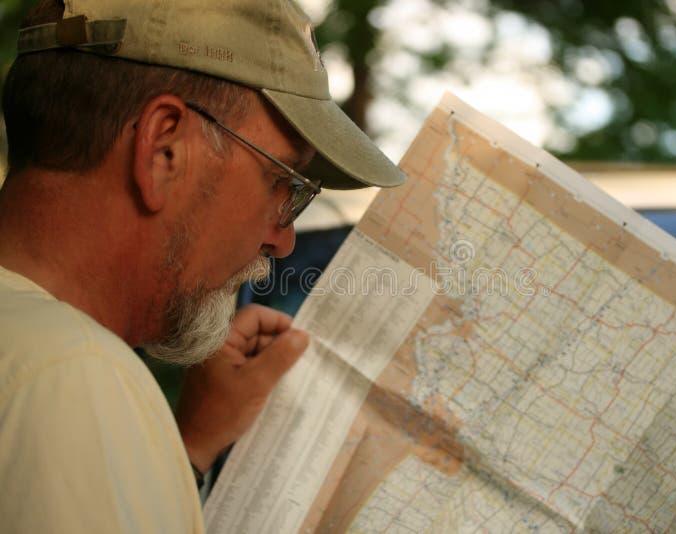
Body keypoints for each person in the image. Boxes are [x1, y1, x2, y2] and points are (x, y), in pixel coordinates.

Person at [0, 0, 405, 531]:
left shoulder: (39, 365)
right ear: (164, 149)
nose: (283, 240)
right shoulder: (72, 375)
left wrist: (187, 451)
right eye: (284, 184)